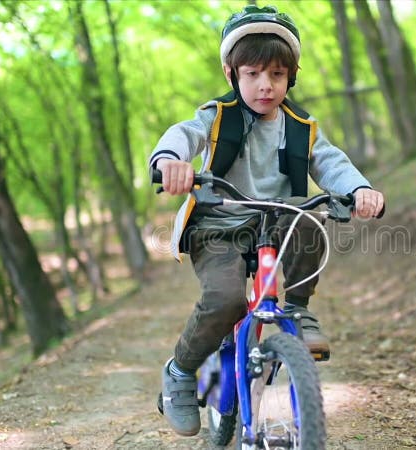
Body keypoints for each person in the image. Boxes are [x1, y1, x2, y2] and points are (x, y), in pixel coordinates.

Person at [148, 5, 384, 437]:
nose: (265, 85)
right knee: (225, 299)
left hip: (279, 219)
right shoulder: (217, 116)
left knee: (311, 220)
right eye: (253, 73)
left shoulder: (301, 126)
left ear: (290, 77)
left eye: (276, 75)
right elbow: (184, 134)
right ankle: (180, 371)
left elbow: (331, 163)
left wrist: (360, 190)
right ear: (231, 74)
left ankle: (296, 308)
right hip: (219, 222)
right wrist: (169, 160)